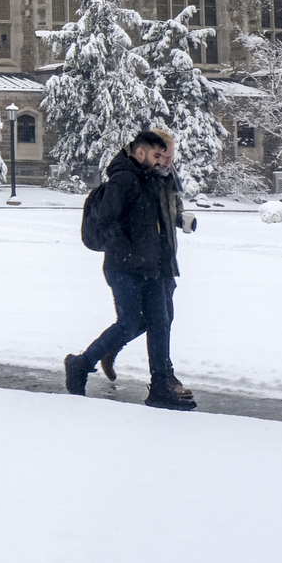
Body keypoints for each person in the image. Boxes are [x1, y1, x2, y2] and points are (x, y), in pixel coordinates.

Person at [64, 128, 197, 410]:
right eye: (158, 155)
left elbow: (156, 220)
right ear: (140, 153)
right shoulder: (125, 179)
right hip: (125, 266)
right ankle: (81, 363)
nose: (164, 161)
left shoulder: (155, 178)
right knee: (130, 322)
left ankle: (160, 385)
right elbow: (105, 221)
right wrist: (128, 250)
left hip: (154, 266)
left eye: (167, 156)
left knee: (160, 322)